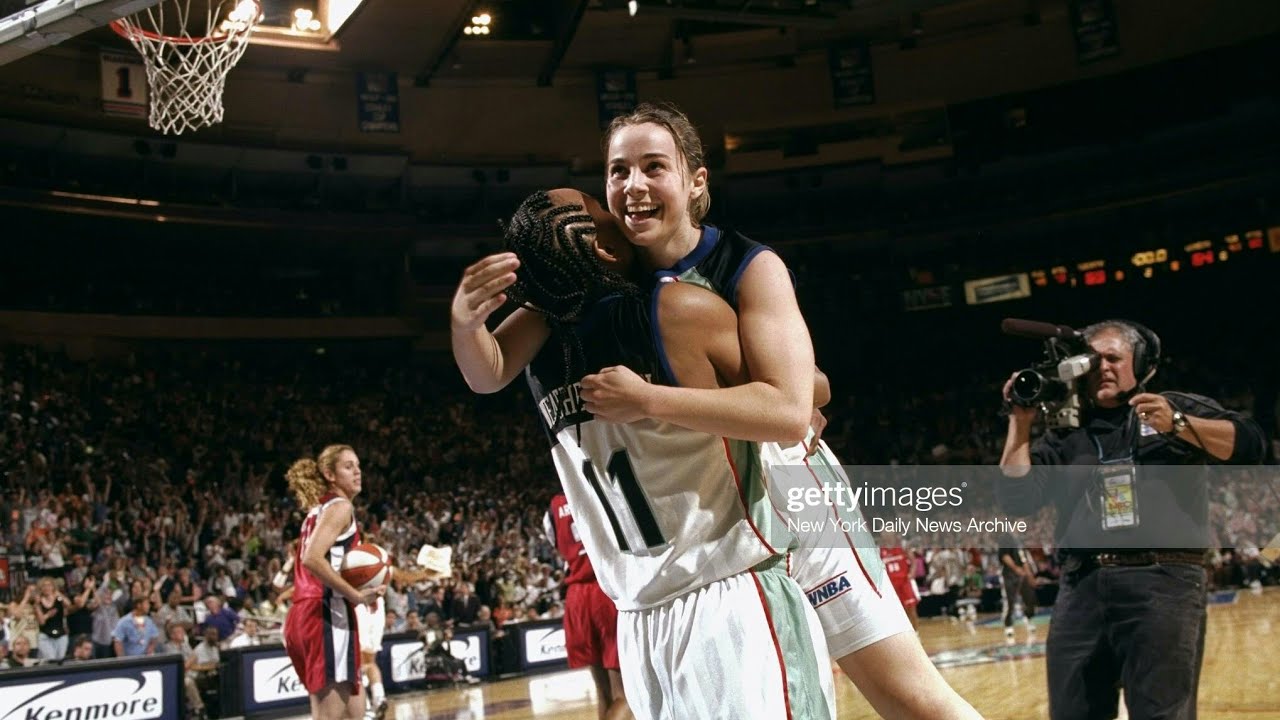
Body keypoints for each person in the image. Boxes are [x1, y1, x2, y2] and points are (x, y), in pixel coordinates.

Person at [458, 188, 836, 719]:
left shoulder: (541, 346)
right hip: (715, 599)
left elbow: (485, 373)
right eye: (603, 209)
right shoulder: (675, 307)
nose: (622, 207)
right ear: (605, 247)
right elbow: (806, 391)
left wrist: (465, 324)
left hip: (653, 612)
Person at [998, 319, 1267, 720]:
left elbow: (1250, 444)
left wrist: (1178, 424)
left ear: (1141, 364)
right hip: (1081, 586)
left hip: (1162, 582)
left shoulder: (1171, 406)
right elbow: (1016, 498)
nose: (1102, 367)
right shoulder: (1065, 433)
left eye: (1113, 358)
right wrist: (1020, 421)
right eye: (1093, 360)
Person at [282, 445, 382, 720]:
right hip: (325, 614)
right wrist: (356, 596)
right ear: (330, 474)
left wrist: (365, 588)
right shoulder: (340, 507)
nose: (357, 472)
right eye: (348, 466)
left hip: (309, 612)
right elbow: (312, 558)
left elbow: (328, 563)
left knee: (354, 714)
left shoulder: (319, 509)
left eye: (358, 465)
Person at [544, 493, 632, 720]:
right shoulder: (596, 488)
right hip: (604, 590)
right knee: (626, 696)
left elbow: (557, 545)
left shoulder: (553, 508)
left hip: (576, 597)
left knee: (604, 695)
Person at [996, 533, 1038, 643]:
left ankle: (1029, 618)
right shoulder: (1005, 536)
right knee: (1010, 600)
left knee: (1030, 597)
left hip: (1023, 573)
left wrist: (1029, 575)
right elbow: (1004, 556)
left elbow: (1023, 559)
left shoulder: (1020, 540)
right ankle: (1008, 625)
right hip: (1009, 574)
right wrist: (1015, 568)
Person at [33, 576, 71, 663]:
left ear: (53, 587)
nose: (47, 588)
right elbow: (41, 622)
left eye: (49, 585)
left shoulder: (59, 600)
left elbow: (69, 604)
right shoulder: (38, 603)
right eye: (44, 586)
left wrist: (59, 594)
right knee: (51, 661)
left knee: (60, 660)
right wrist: (48, 615)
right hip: (45, 636)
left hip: (61, 635)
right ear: (41, 588)